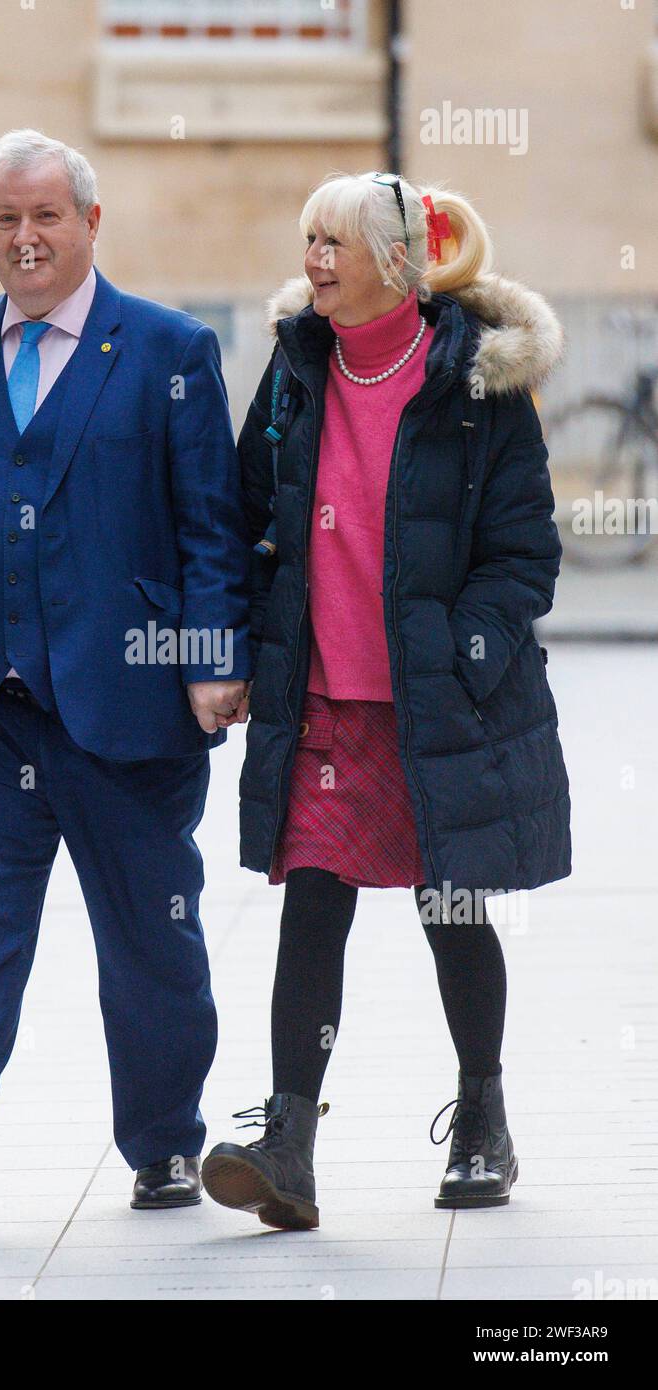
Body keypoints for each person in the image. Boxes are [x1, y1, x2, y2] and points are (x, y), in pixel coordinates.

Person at [0, 128, 251, 1228]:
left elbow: (210, 522)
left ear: (90, 224)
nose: (26, 239)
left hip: (128, 706)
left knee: (149, 941)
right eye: (5, 220)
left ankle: (165, 1143)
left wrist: (214, 659)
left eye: (46, 217)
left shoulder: (169, 350)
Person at [202, 171, 571, 1231]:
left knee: (449, 910)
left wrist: (463, 650)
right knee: (311, 906)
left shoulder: (477, 384)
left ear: (395, 263)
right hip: (322, 699)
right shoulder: (296, 368)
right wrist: (233, 648)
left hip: (433, 699)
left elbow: (524, 555)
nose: (314, 258)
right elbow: (241, 518)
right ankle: (289, 1143)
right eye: (307, 237)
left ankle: (482, 1119)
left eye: (334, 242)